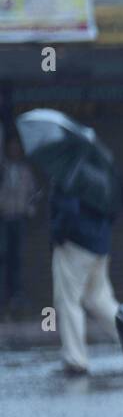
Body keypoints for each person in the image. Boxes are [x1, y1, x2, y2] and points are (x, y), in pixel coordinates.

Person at [49, 141, 120, 375]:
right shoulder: (104, 171)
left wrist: (58, 234)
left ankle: (75, 359)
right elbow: (116, 207)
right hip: (99, 244)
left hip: (74, 245)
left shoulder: (70, 170)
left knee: (68, 301)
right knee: (99, 299)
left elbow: (68, 209)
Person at [0, 132, 41, 319]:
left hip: (19, 219)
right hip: (4, 218)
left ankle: (16, 296)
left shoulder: (26, 171)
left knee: (17, 257)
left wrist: (29, 208)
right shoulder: (2, 169)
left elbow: (34, 193)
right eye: (12, 146)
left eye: (17, 146)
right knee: (3, 256)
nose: (14, 149)